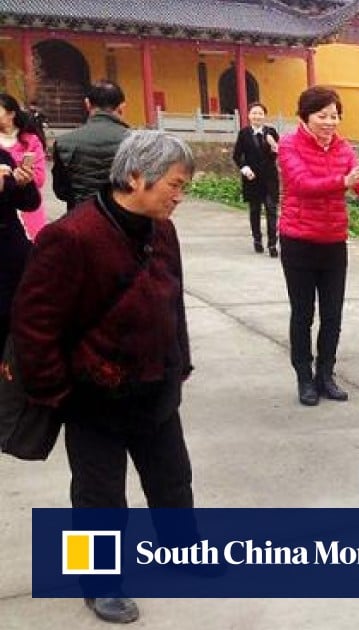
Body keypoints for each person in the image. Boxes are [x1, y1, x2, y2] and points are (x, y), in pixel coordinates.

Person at [12, 130, 197, 624]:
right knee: (98, 497)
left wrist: (179, 361)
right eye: (174, 186)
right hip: (95, 396)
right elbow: (34, 324)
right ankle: (100, 585)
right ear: (136, 176)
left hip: (156, 385)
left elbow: (172, 301)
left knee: (173, 480)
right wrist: (57, 390)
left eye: (184, 187)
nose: (179, 196)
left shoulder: (163, 230)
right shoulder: (71, 237)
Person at [277, 86, 359, 406]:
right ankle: (304, 378)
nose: (329, 122)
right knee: (303, 313)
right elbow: (302, 185)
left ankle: (326, 374)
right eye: (322, 116)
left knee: (333, 313)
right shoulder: (288, 145)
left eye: (334, 116)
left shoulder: (343, 148)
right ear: (304, 117)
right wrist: (344, 182)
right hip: (298, 240)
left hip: (333, 240)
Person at [51, 80, 130, 211]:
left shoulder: (64, 142)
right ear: (122, 107)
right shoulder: (136, 141)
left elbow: (61, 191)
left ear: (87, 104)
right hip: (125, 220)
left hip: (81, 219)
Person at [0, 145, 41, 344]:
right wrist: (7, 184)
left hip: (10, 255)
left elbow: (31, 203)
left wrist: (24, 183)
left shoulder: (2, 156)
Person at [232, 102, 281, 257]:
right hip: (252, 178)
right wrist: (245, 169)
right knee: (255, 210)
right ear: (249, 115)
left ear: (264, 116)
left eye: (260, 113)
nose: (257, 116)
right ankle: (257, 239)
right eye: (254, 113)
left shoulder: (271, 132)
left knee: (271, 209)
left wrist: (274, 146)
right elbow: (237, 155)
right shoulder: (244, 133)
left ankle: (273, 244)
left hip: (270, 178)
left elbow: (280, 152)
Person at [0, 92, 48, 240]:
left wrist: (19, 177)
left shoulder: (30, 140)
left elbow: (39, 178)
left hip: (29, 209)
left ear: (11, 114)